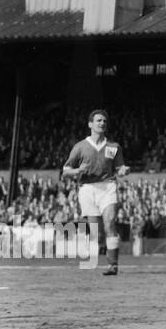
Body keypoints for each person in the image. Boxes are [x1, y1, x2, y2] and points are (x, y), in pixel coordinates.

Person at [61, 109, 130, 275]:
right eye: (98, 120)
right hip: (87, 189)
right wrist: (77, 170)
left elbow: (120, 168)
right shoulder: (80, 147)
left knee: (110, 222)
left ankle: (113, 265)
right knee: (96, 232)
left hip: (107, 187)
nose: (102, 123)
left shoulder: (114, 147)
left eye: (104, 121)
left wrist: (124, 171)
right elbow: (65, 170)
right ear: (90, 124)